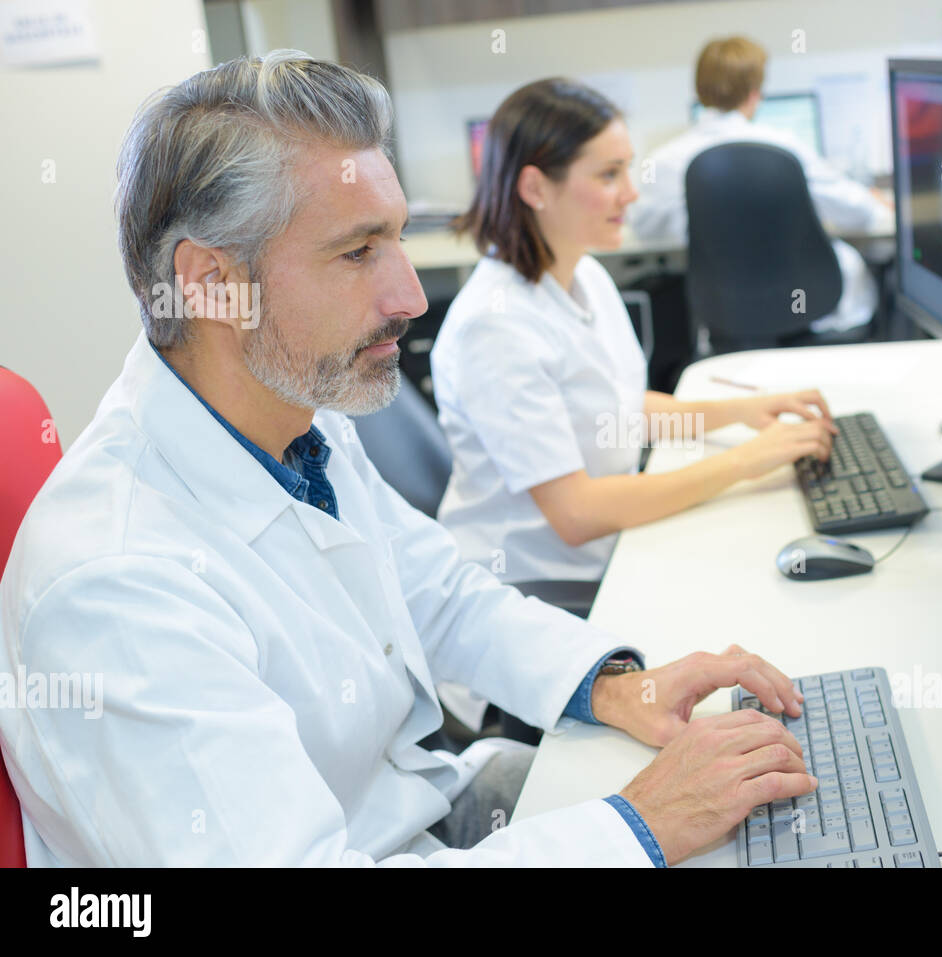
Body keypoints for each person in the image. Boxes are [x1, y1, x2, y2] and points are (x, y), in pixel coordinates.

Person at [0, 51, 817, 867]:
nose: (411, 297)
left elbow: (441, 595)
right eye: (358, 253)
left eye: (396, 238)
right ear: (212, 283)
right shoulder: (116, 587)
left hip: (425, 815)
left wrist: (608, 686)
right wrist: (637, 827)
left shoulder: (290, 418)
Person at [431, 78, 840, 729]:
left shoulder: (583, 272)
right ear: (536, 188)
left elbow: (618, 405)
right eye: (611, 173)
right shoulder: (495, 325)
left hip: (601, 559)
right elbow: (576, 512)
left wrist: (743, 412)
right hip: (540, 598)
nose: (632, 192)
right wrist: (746, 463)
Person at [629, 35, 894, 334]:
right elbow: (858, 212)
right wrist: (871, 199)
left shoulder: (666, 160)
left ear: (700, 89)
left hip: (721, 309)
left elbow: (643, 229)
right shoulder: (786, 147)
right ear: (755, 93)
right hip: (810, 305)